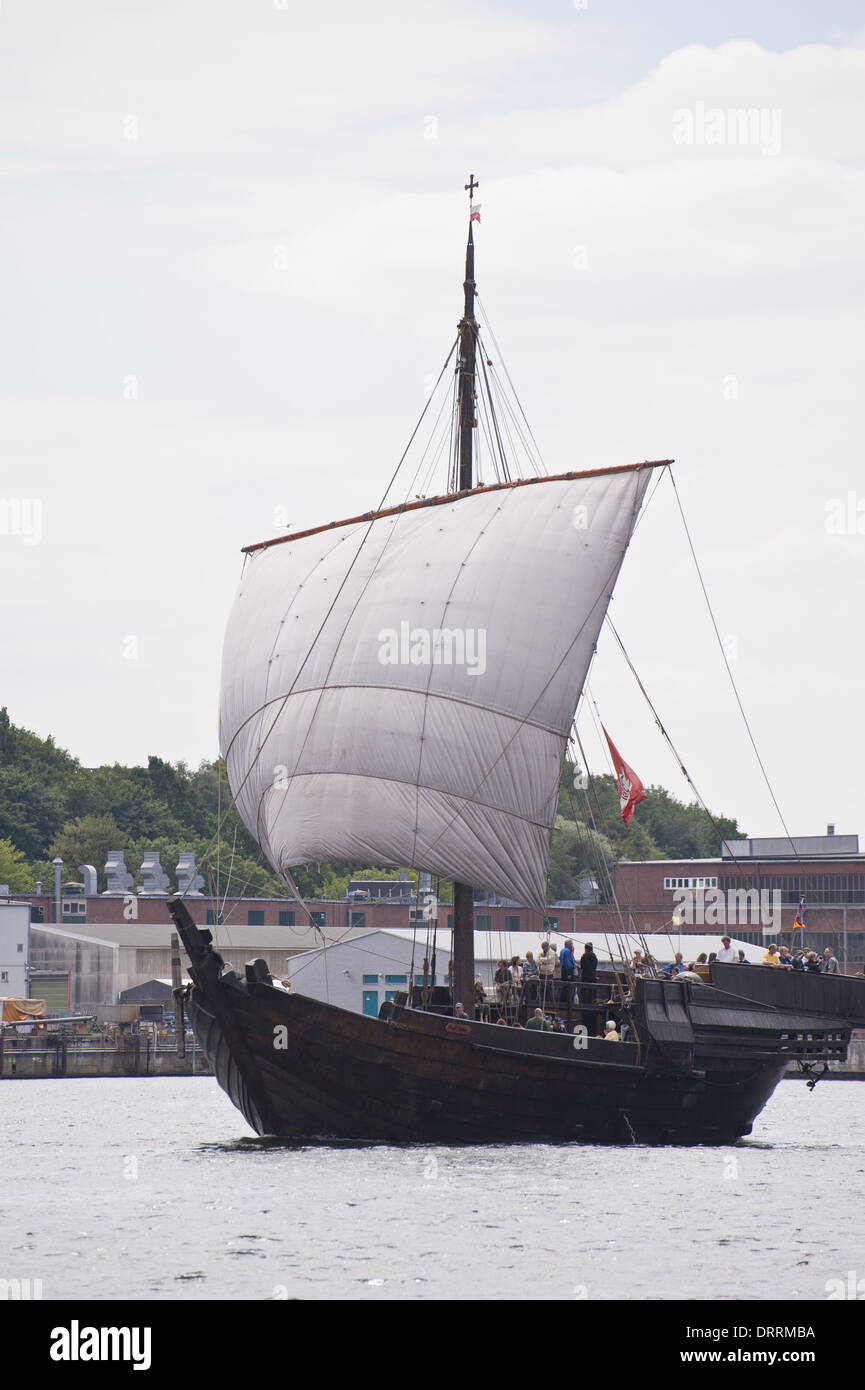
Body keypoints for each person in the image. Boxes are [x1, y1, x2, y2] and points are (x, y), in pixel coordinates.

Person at [559, 939, 577, 1004]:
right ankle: (568, 1002)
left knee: (564, 987)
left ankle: (563, 1001)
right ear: (568, 944)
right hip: (568, 971)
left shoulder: (562, 950)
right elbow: (568, 963)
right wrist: (569, 973)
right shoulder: (567, 951)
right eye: (571, 944)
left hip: (563, 970)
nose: (572, 946)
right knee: (569, 987)